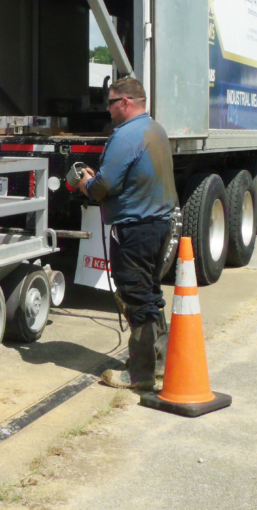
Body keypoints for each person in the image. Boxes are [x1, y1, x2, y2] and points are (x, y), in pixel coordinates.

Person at [80, 77, 179, 391]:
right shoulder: (156, 130)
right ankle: (160, 361)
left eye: (110, 103)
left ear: (124, 102)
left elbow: (103, 187)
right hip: (160, 225)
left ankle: (140, 374)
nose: (107, 110)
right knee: (150, 294)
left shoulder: (125, 135)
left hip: (135, 228)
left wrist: (84, 182)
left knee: (134, 296)